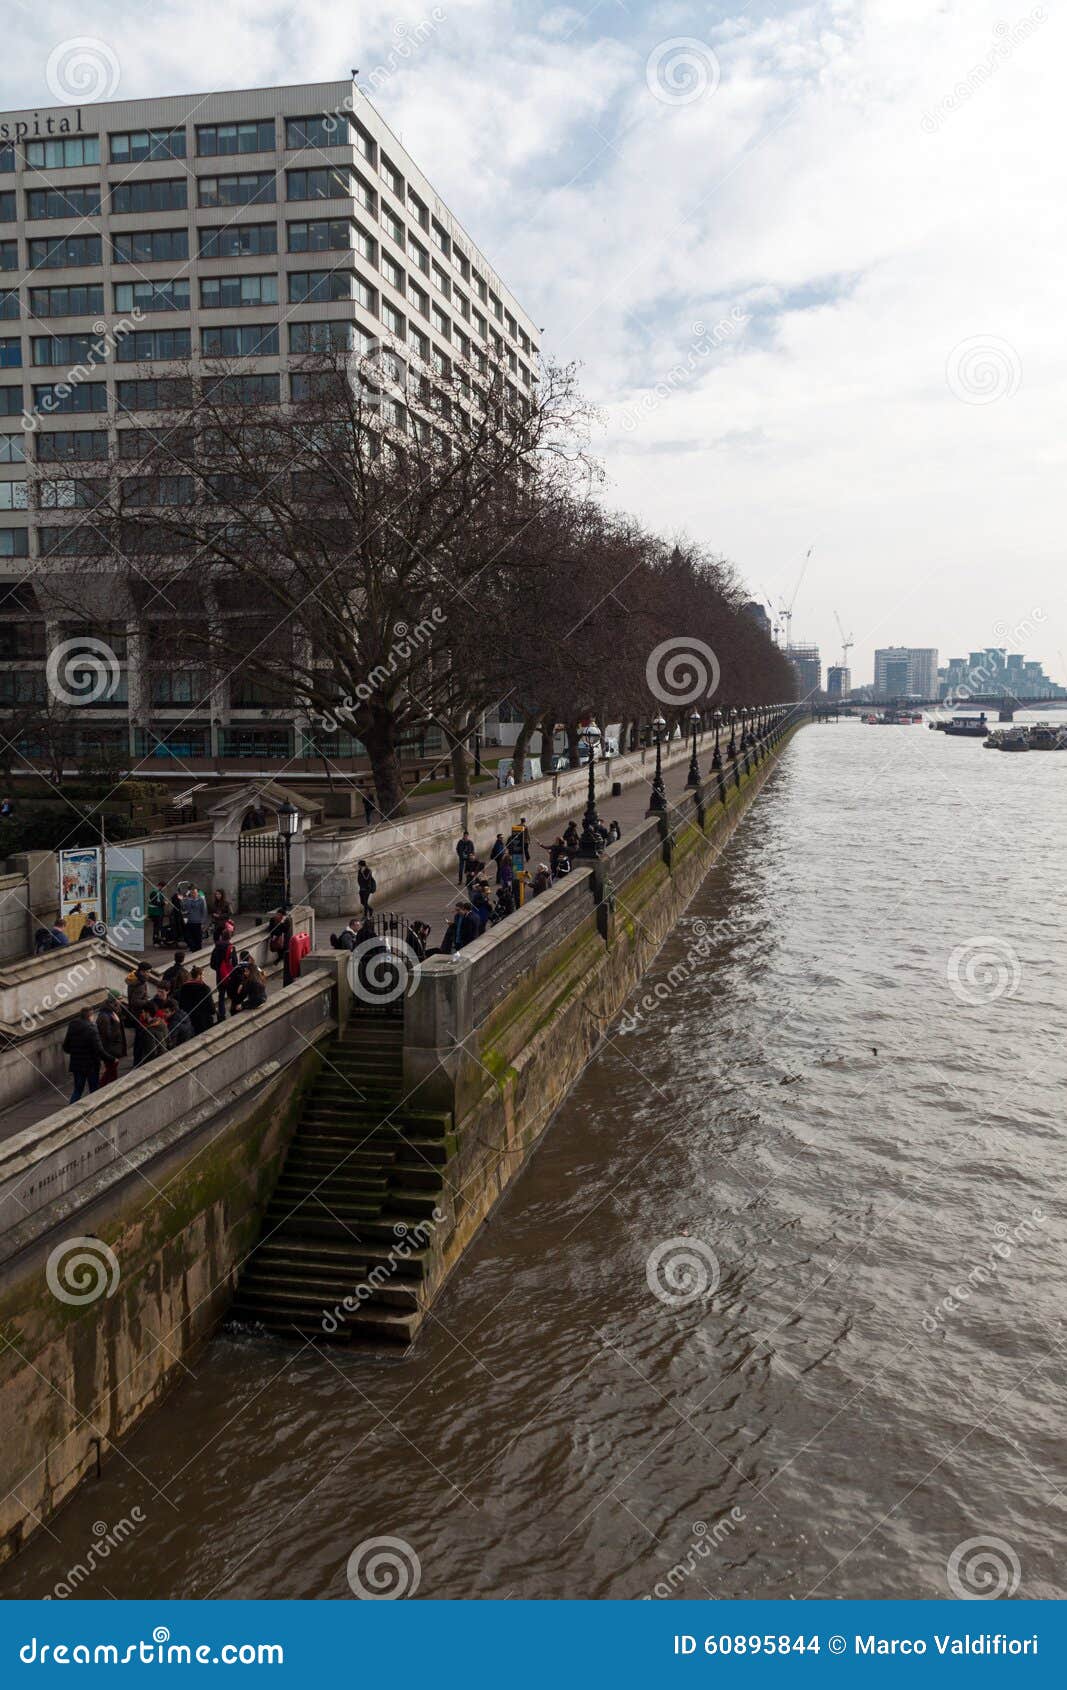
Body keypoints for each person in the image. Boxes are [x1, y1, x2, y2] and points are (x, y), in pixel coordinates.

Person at [62, 1007, 105, 1104]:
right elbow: (98, 1049)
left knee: (78, 1090)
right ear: (90, 1016)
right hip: (91, 1065)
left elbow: (65, 1046)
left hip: (77, 1064)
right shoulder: (92, 1028)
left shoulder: (72, 1026)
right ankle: (94, 1108)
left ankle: (71, 1110)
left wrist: (75, 1052)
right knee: (94, 1089)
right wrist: (110, 1059)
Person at [96, 993, 127, 1085]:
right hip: (110, 1049)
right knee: (111, 1070)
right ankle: (100, 1088)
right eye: (120, 998)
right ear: (114, 1000)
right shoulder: (105, 1016)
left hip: (114, 1047)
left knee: (112, 1071)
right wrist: (117, 1024)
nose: (122, 1001)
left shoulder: (113, 1011)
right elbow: (108, 1036)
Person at [179, 965, 216, 1037]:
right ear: (199, 976)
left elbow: (181, 1004)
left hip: (190, 1018)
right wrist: (213, 1011)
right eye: (203, 975)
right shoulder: (204, 988)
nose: (203, 977)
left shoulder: (184, 987)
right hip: (204, 1019)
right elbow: (210, 1005)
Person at [210, 930, 238, 1021]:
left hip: (220, 975)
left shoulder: (216, 948)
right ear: (230, 937)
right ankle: (234, 1010)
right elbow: (235, 962)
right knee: (233, 994)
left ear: (221, 936)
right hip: (230, 975)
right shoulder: (231, 948)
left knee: (221, 995)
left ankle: (222, 1014)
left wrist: (219, 970)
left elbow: (212, 963)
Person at [267, 907, 294, 984]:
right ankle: (280, 957)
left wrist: (281, 923)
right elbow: (271, 929)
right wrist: (275, 934)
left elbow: (286, 929)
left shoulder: (286, 921)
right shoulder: (273, 920)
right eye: (277, 914)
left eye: (279, 915)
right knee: (277, 948)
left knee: (284, 949)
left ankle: (281, 959)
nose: (277, 916)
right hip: (276, 937)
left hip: (284, 938)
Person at [182, 885, 208, 952]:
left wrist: (203, 922)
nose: (193, 894)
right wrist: (185, 898)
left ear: (197, 893)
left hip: (198, 922)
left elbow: (204, 911)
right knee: (188, 937)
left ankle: (198, 950)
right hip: (190, 921)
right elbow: (184, 908)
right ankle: (193, 948)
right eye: (192, 893)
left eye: (195, 892)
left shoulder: (201, 900)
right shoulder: (188, 900)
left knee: (198, 938)